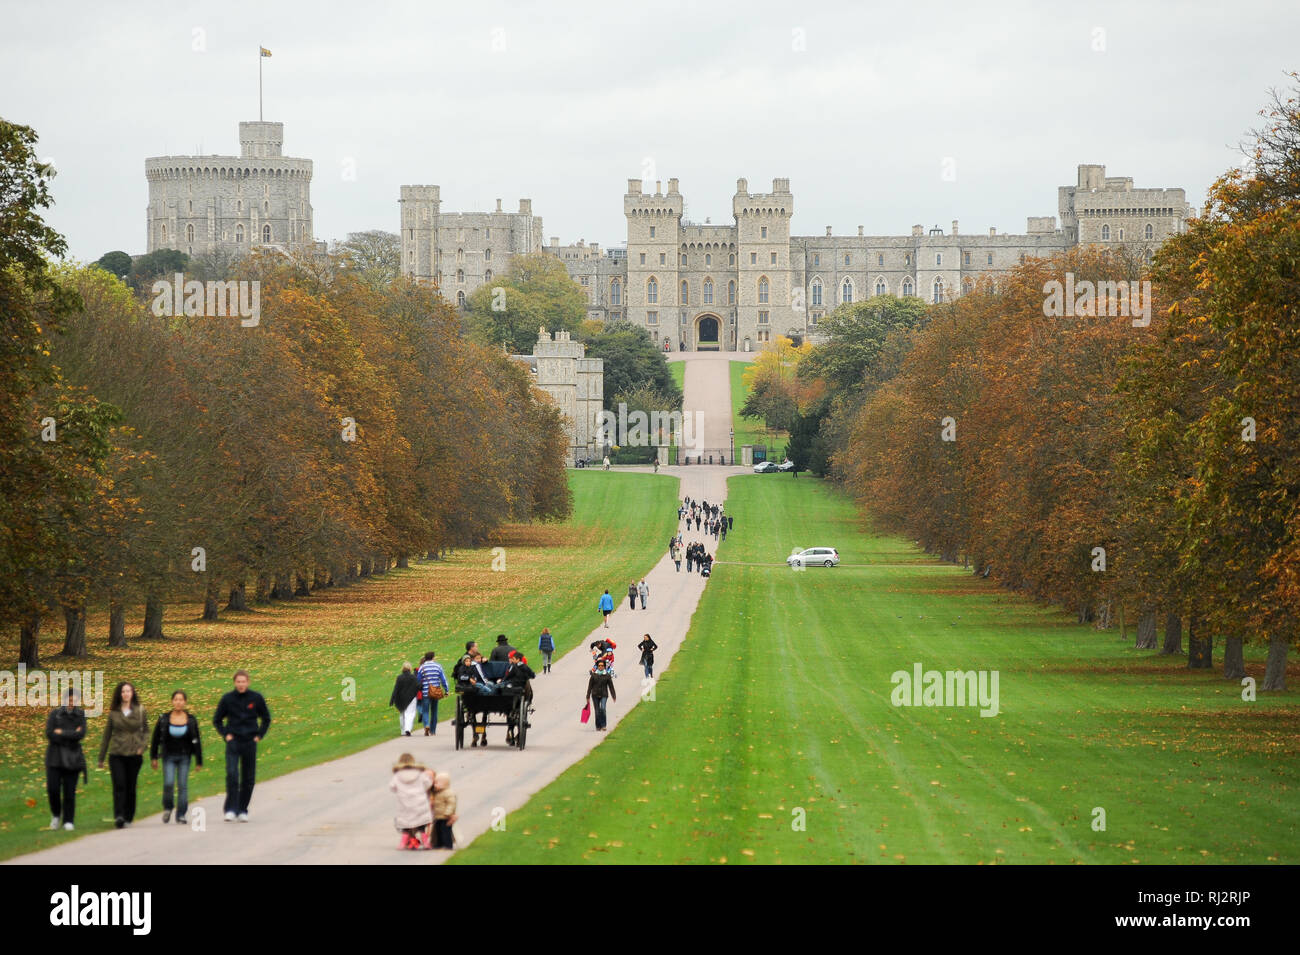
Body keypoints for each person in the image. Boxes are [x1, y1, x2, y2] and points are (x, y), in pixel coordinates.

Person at [212, 669, 271, 822]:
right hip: (234, 742)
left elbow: (266, 718)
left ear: (248, 682)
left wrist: (259, 735)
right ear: (234, 683)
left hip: (250, 741)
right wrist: (226, 734)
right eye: (238, 682)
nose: (241, 684)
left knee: (248, 778)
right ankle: (230, 809)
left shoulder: (256, 698)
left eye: (243, 681)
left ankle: (242, 809)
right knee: (232, 774)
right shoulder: (227, 699)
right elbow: (217, 719)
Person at [98, 681, 148, 829]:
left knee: (130, 786)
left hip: (134, 753)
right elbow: (107, 735)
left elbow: (146, 731)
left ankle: (128, 815)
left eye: (128, 691)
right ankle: (119, 815)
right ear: (119, 694)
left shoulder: (140, 710)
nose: (126, 694)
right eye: (123, 691)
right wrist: (101, 757)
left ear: (132, 694)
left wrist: (142, 747)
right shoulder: (114, 713)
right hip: (117, 753)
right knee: (119, 785)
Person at [150, 690, 202, 824]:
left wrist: (198, 760)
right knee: (168, 783)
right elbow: (155, 739)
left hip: (185, 756)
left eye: (181, 700)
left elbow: (197, 740)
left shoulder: (190, 719)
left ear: (185, 702)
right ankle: (168, 807)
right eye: (176, 699)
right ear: (172, 702)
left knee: (182, 785)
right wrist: (154, 757)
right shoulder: (164, 719)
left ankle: (181, 815)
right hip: (169, 756)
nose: (178, 702)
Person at [45, 688, 87, 831]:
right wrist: (71, 734)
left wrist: (62, 732)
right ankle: (56, 814)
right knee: (53, 789)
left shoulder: (80, 715)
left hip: (72, 758)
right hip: (55, 757)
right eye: (69, 700)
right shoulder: (55, 715)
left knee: (70, 791)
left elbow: (81, 734)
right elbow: (50, 733)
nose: (71, 703)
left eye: (74, 700)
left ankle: (69, 820)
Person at [389, 753, 433, 850]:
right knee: (421, 825)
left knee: (406, 825)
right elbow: (428, 783)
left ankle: (403, 843)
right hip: (419, 802)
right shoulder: (420, 773)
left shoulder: (397, 775)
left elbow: (392, 787)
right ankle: (425, 842)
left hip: (405, 803)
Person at [416, 651, 448, 735]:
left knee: (425, 710)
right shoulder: (438, 666)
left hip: (426, 692)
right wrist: (446, 690)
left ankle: (426, 725)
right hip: (435, 692)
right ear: (433, 657)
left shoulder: (422, 667)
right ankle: (433, 730)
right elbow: (443, 679)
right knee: (434, 711)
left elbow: (418, 680)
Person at [389, 662, 421, 736]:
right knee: (410, 714)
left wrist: (392, 699)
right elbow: (418, 686)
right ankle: (408, 729)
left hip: (400, 699)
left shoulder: (399, 677)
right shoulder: (413, 677)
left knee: (402, 715)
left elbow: (396, 689)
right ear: (410, 668)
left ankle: (403, 731)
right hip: (411, 698)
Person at [585, 659, 616, 731]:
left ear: (604, 666)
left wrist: (613, 695)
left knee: (603, 709)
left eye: (602, 666)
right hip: (595, 695)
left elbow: (611, 686)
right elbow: (590, 686)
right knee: (597, 711)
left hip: (604, 695)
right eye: (599, 666)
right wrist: (588, 696)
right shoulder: (593, 675)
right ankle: (598, 726)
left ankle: (604, 725)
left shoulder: (607, 675)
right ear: (597, 666)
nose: (600, 667)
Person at [431, 771, 458, 849]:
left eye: (437, 783)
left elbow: (451, 803)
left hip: (445, 816)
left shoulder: (448, 793)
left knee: (445, 831)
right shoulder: (437, 792)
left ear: (444, 784)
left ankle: (448, 845)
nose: (434, 785)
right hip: (438, 816)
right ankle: (438, 844)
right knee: (437, 831)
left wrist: (448, 812)